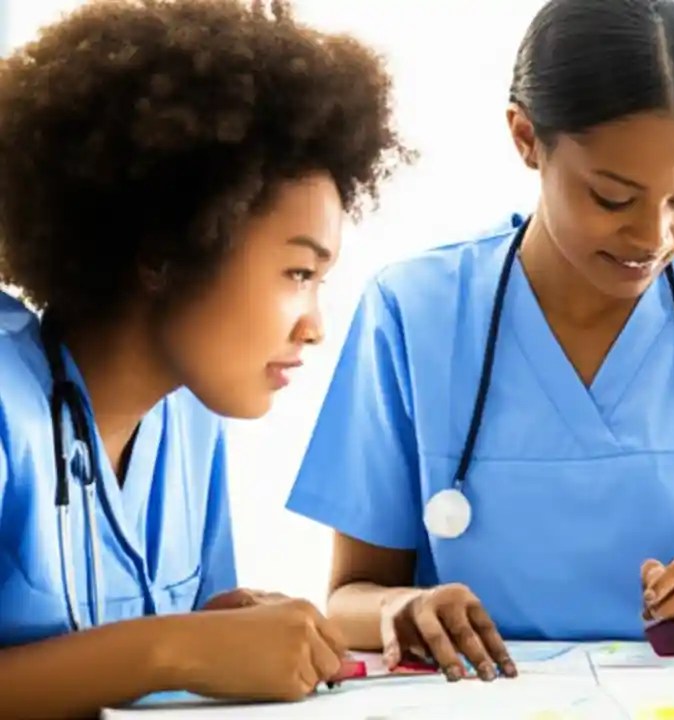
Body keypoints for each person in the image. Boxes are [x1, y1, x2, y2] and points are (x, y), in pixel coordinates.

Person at [286, 0, 674, 683]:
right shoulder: (411, 310)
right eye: (612, 197)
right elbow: (349, 599)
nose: (653, 236)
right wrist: (406, 607)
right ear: (525, 137)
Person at [0, 0, 411, 714]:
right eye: (297, 274)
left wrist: (222, 630)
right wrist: (171, 647)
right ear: (165, 251)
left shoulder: (186, 421)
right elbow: (157, 652)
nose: (315, 326)